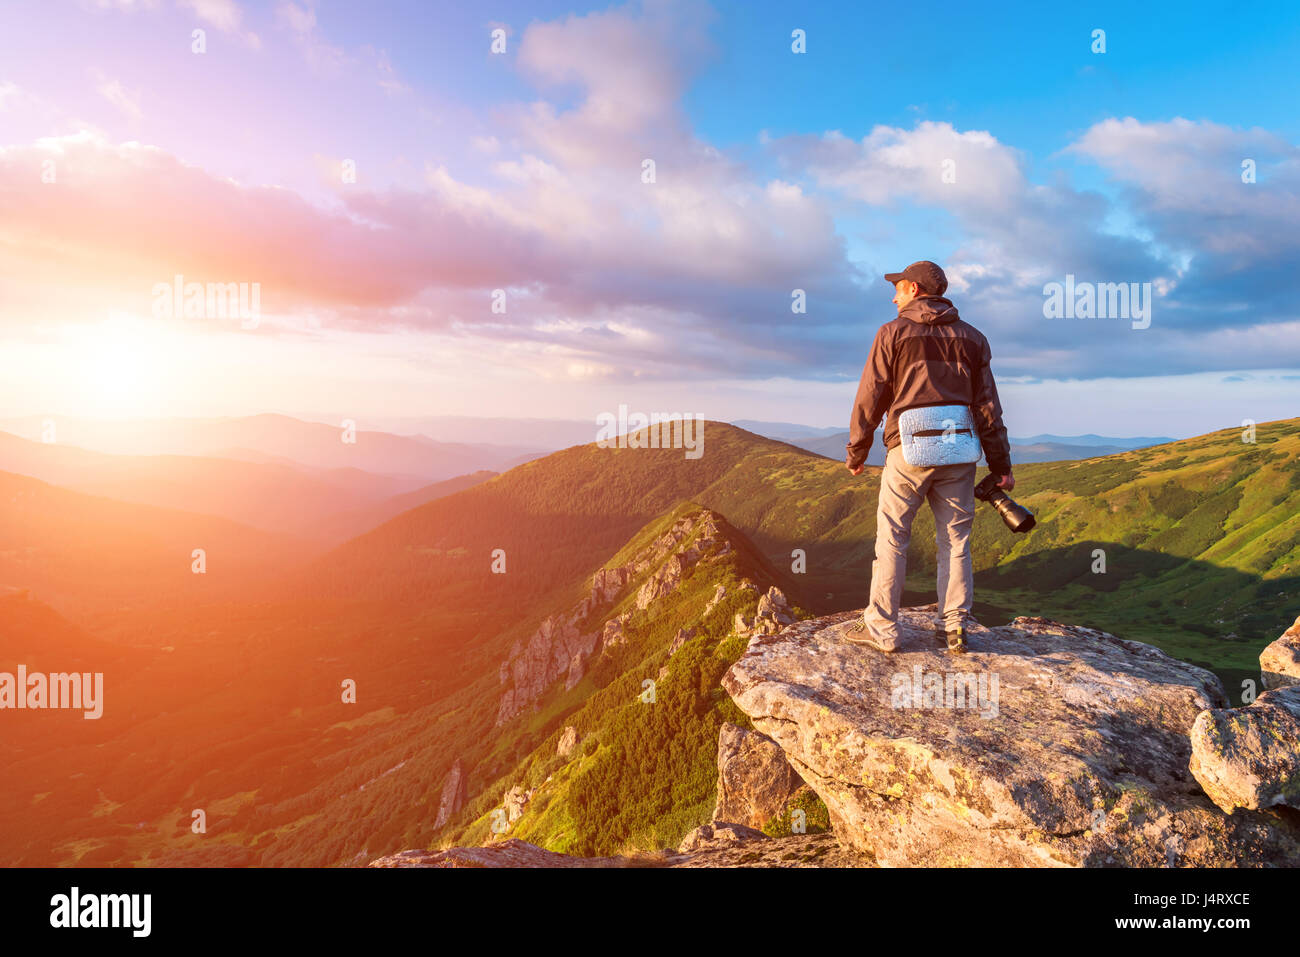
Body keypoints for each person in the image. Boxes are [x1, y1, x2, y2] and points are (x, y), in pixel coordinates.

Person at [844, 261, 1013, 655]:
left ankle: (883, 629)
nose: (894, 295)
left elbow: (872, 395)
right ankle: (953, 627)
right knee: (955, 541)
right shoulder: (973, 338)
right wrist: (1000, 465)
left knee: (892, 539)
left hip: (909, 449)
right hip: (958, 450)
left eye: (899, 288)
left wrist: (858, 450)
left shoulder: (892, 333)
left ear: (916, 290)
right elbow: (988, 406)